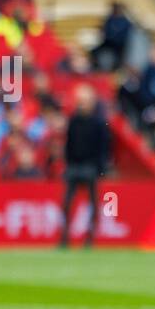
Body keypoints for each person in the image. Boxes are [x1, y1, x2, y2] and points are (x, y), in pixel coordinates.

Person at [59, 85, 110, 248]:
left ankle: (90, 237)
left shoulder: (99, 123)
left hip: (90, 167)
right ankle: (65, 237)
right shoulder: (73, 121)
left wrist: (100, 169)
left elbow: (103, 148)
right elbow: (68, 144)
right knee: (67, 202)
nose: (83, 104)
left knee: (93, 204)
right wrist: (68, 164)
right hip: (74, 166)